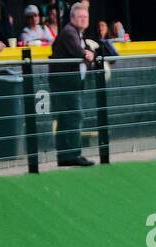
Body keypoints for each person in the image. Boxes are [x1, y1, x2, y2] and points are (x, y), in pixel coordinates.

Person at [49, 3, 94, 167]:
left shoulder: (78, 33)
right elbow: (78, 51)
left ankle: (65, 156)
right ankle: (73, 154)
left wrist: (88, 53)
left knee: (66, 117)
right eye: (80, 17)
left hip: (70, 82)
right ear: (72, 18)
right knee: (75, 115)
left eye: (86, 17)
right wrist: (86, 54)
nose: (83, 20)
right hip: (66, 83)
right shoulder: (69, 32)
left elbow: (90, 51)